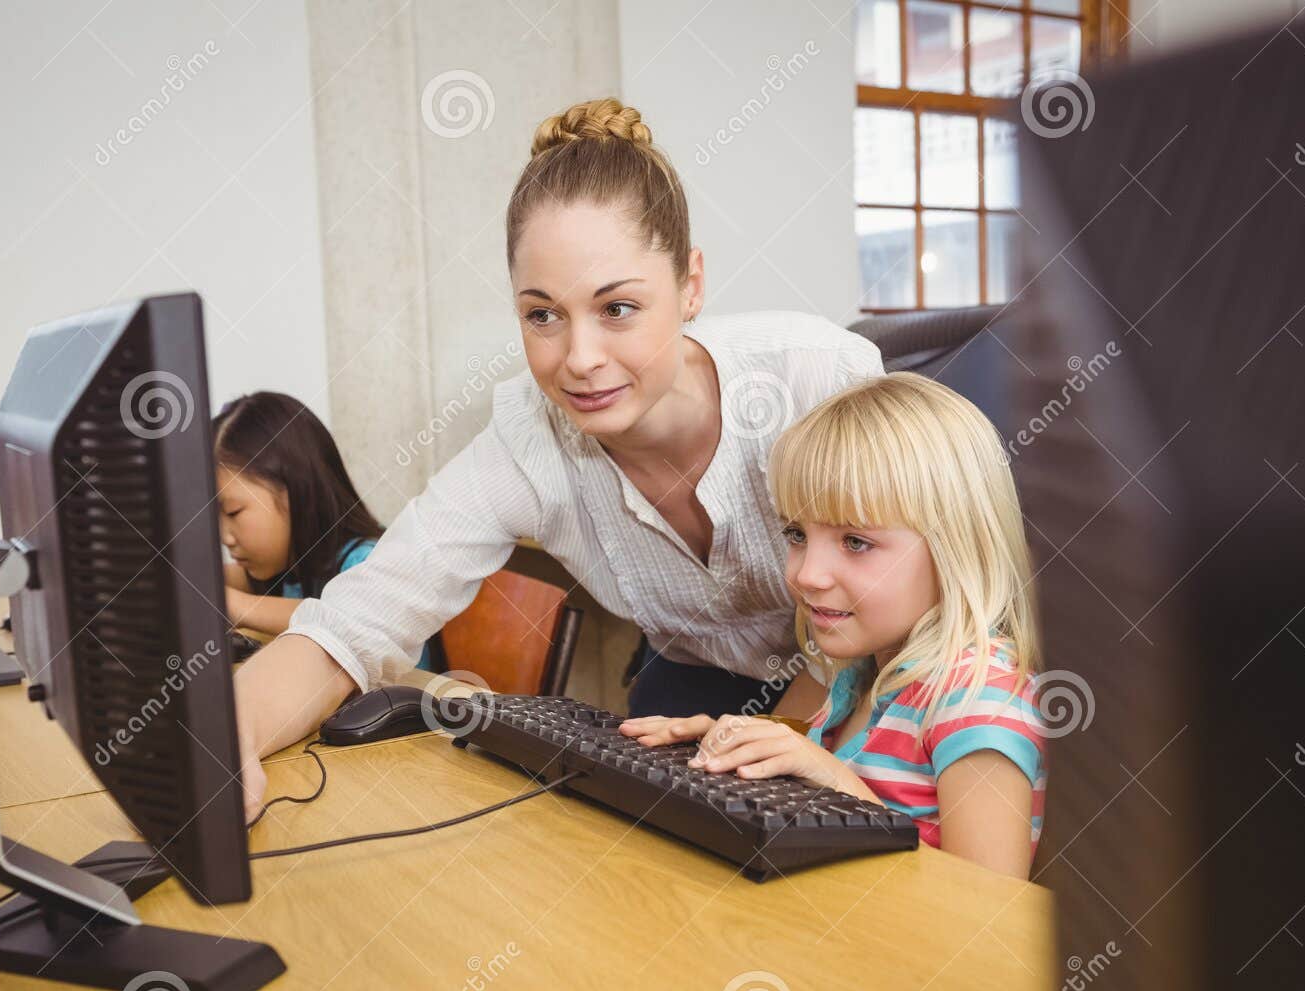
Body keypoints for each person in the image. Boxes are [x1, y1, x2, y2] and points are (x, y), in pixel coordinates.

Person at [232, 97, 884, 821]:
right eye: (542, 315)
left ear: (691, 283)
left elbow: (934, 592)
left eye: (618, 309)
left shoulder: (814, 378)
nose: (579, 360)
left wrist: (792, 730)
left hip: (865, 690)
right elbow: (361, 615)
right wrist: (227, 741)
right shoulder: (531, 439)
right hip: (692, 694)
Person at [621, 373, 1047, 878]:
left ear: (957, 548)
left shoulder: (979, 701)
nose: (805, 574)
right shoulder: (854, 673)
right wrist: (733, 748)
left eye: (855, 542)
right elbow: (811, 800)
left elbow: (988, 915)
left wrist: (832, 779)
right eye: (797, 534)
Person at [214, 391, 431, 673]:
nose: (225, 536)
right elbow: (202, 581)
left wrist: (240, 607)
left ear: (297, 491)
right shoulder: (284, 566)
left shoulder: (367, 561)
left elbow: (343, 622)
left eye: (233, 512)